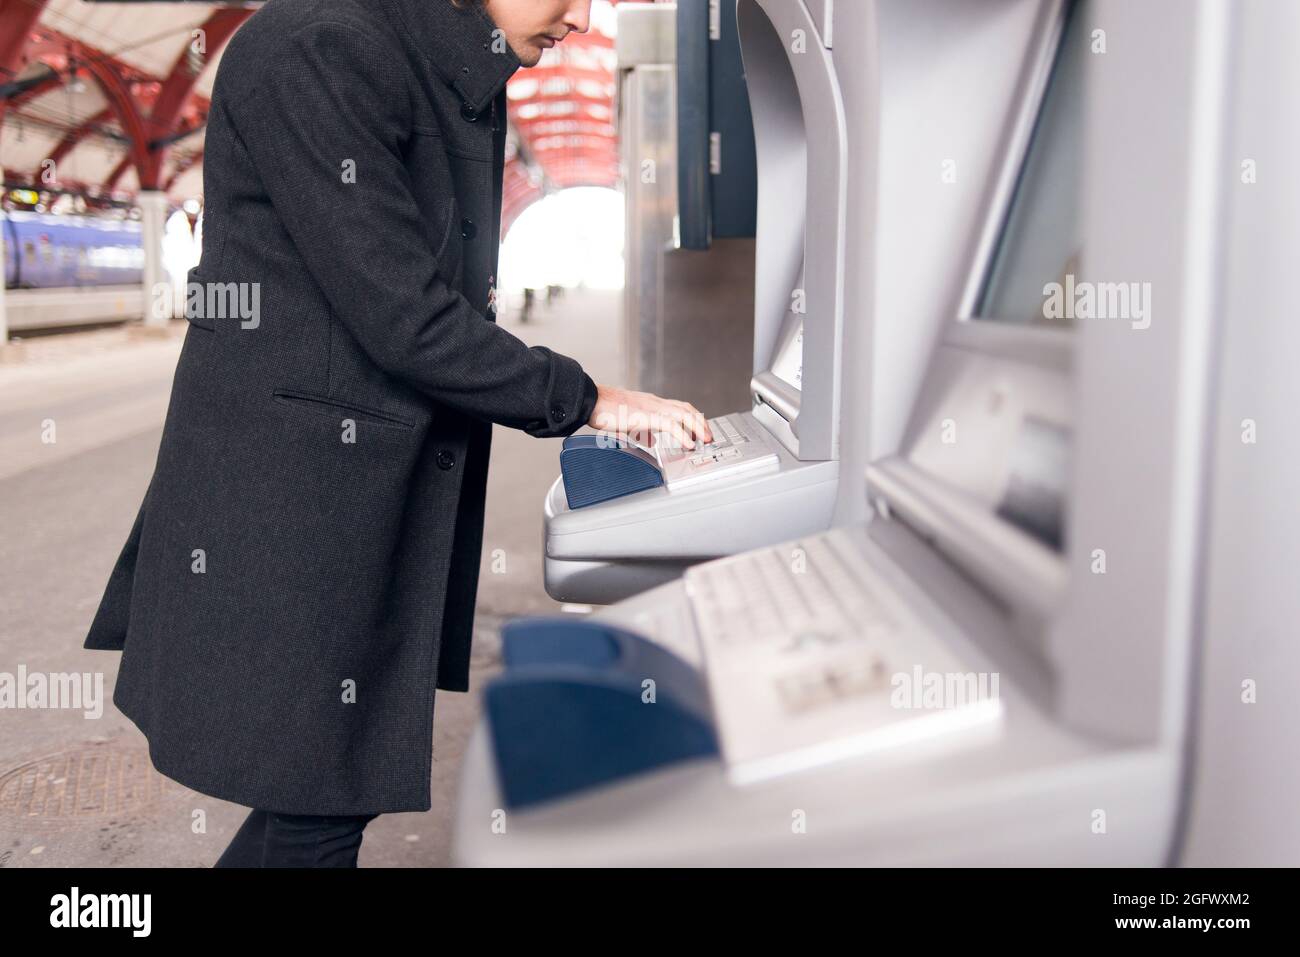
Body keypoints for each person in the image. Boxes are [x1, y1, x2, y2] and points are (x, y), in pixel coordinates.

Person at [83, 0, 711, 868]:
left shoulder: (436, 61)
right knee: (321, 802)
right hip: (293, 499)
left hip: (349, 491)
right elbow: (406, 315)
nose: (584, 16)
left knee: (317, 799)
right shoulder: (326, 52)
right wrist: (587, 397)